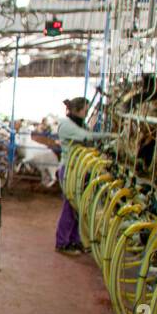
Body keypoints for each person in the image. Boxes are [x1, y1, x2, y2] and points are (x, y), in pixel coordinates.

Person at [54, 96, 115, 254]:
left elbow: (88, 136)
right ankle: (62, 242)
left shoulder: (80, 123)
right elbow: (86, 137)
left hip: (81, 170)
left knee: (79, 208)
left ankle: (75, 240)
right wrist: (109, 135)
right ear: (78, 110)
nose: (87, 114)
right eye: (86, 110)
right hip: (70, 170)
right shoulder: (67, 125)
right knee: (70, 206)